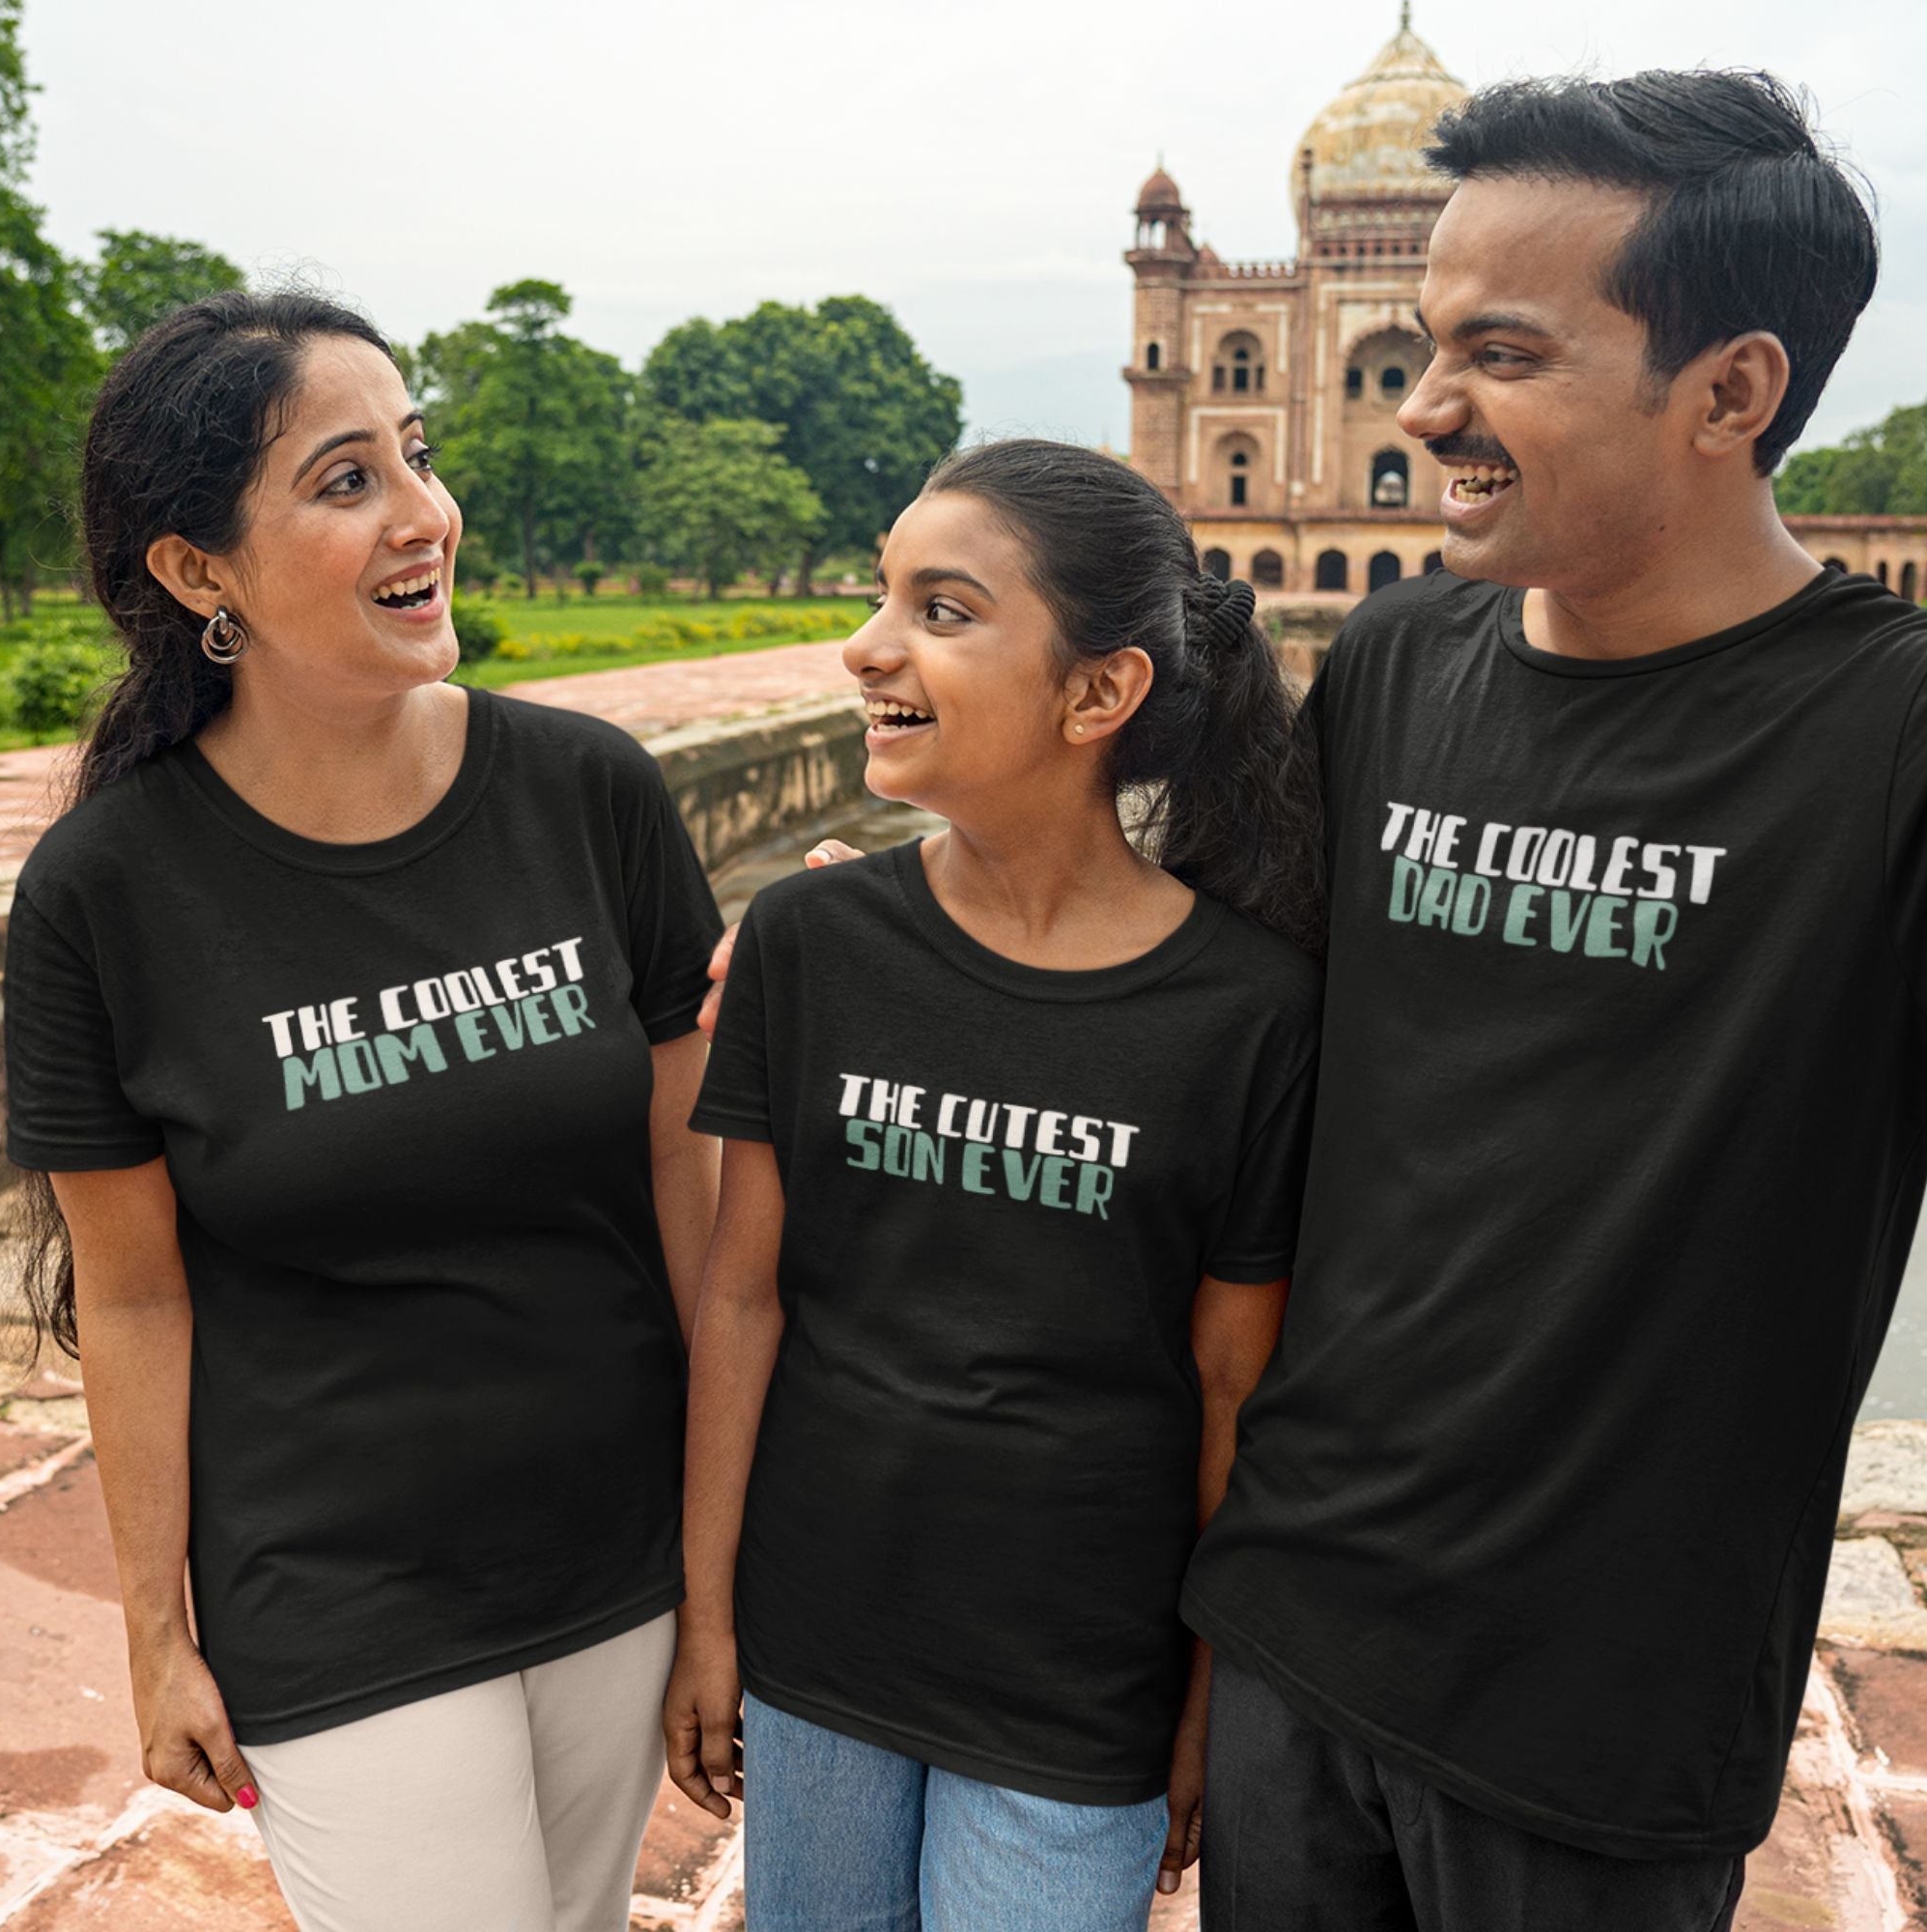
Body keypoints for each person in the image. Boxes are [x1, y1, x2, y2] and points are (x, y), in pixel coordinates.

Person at [1178, 71, 1909, 1930]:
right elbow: (1238, 1022)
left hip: (1600, 1701)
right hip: (1292, 1617)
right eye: (1423, 346)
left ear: (1730, 393)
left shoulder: (1886, 743)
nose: (1424, 413)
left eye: (1500, 354)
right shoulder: (1406, 655)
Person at [3, 291, 723, 1932]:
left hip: (612, 1539)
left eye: (416, 454)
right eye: (344, 482)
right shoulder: (109, 894)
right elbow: (128, 1286)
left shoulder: (586, 792)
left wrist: (721, 1539)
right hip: (336, 1579)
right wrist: (152, 1626)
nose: (424, 516)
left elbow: (689, 1186)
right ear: (198, 574)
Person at [665, 438, 1324, 1930]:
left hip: (1076, 1674)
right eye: (880, 593)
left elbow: (1232, 1391)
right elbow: (744, 1296)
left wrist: (1207, 1692)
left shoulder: (1246, 1014)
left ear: (1099, 694)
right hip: (821, 1630)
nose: (867, 645)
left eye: (944, 611)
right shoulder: (809, 943)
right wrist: (709, 1619)